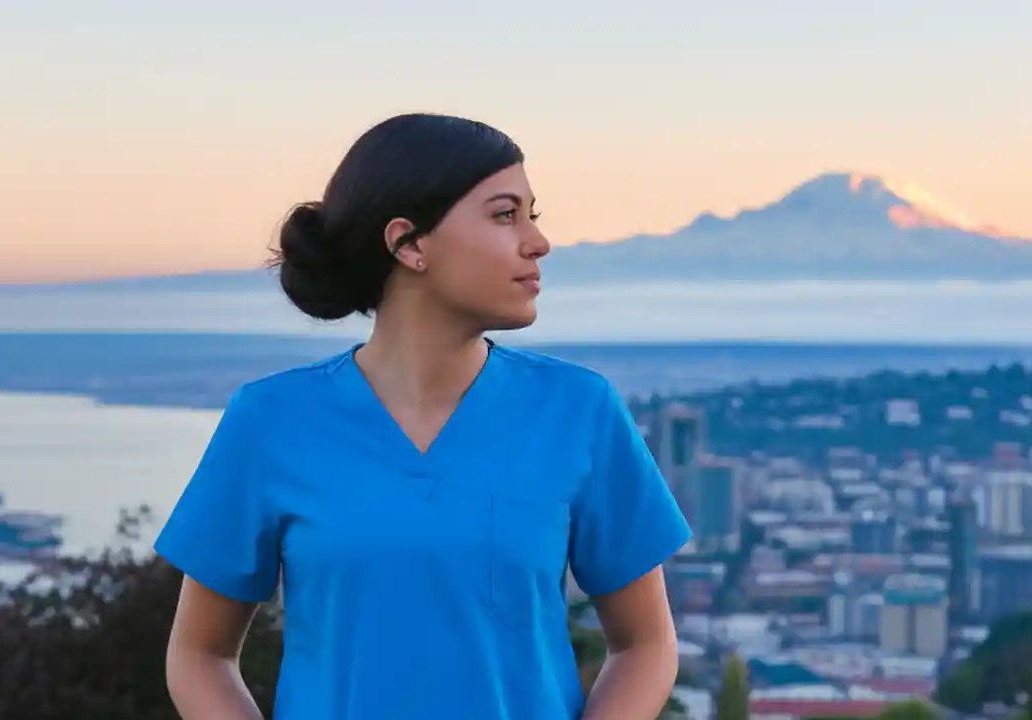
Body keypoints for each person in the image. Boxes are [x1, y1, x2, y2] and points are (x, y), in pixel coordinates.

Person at [154, 112, 693, 719]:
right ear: (409, 244)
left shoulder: (579, 410)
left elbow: (646, 645)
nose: (538, 242)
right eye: (505, 214)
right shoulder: (271, 422)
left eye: (531, 215)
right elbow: (199, 655)